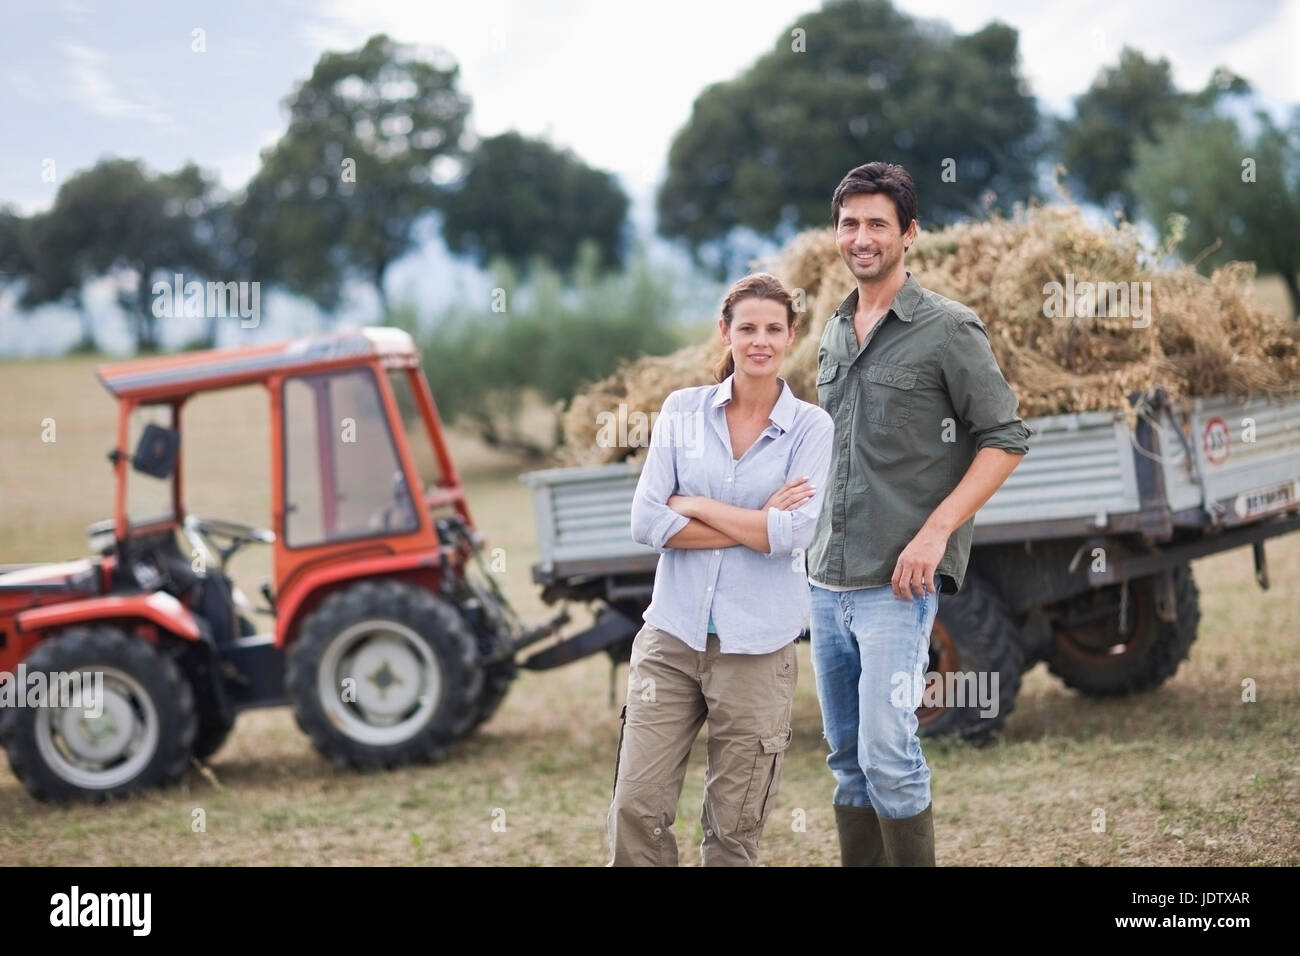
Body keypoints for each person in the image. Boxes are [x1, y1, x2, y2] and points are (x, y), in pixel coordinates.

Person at [807, 162, 1030, 866]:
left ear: (910, 234)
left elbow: (1005, 438)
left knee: (888, 754)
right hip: (824, 585)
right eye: (850, 224)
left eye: (878, 224)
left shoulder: (948, 330)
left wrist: (936, 533)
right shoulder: (834, 330)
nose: (861, 237)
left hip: (895, 589)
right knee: (846, 757)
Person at [608, 273, 834, 866]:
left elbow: (792, 535)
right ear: (725, 333)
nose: (760, 340)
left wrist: (700, 506)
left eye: (773, 329)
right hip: (671, 637)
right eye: (747, 328)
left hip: (757, 648)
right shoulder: (682, 410)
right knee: (636, 805)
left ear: (791, 335)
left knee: (735, 825)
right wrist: (754, 522)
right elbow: (647, 523)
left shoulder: (812, 428)